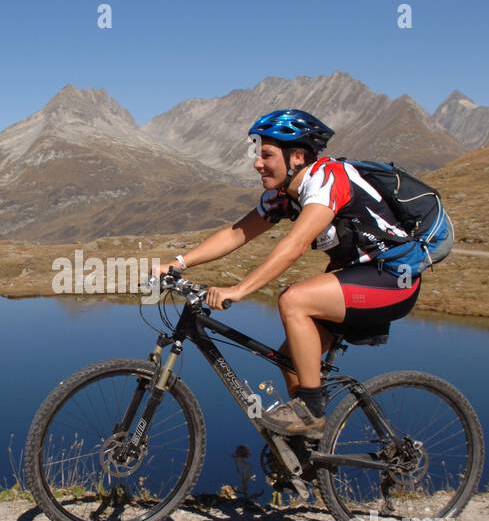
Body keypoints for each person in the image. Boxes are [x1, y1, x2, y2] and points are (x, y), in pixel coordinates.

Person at [153, 109, 421, 435]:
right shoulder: (284, 194)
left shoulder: (327, 179)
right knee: (289, 356)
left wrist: (238, 290)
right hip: (356, 277)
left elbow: (294, 245)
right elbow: (237, 232)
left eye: (266, 155)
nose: (257, 163)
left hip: (393, 278)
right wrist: (179, 262)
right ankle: (306, 447)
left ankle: (311, 412)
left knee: (294, 300)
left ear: (296, 156)